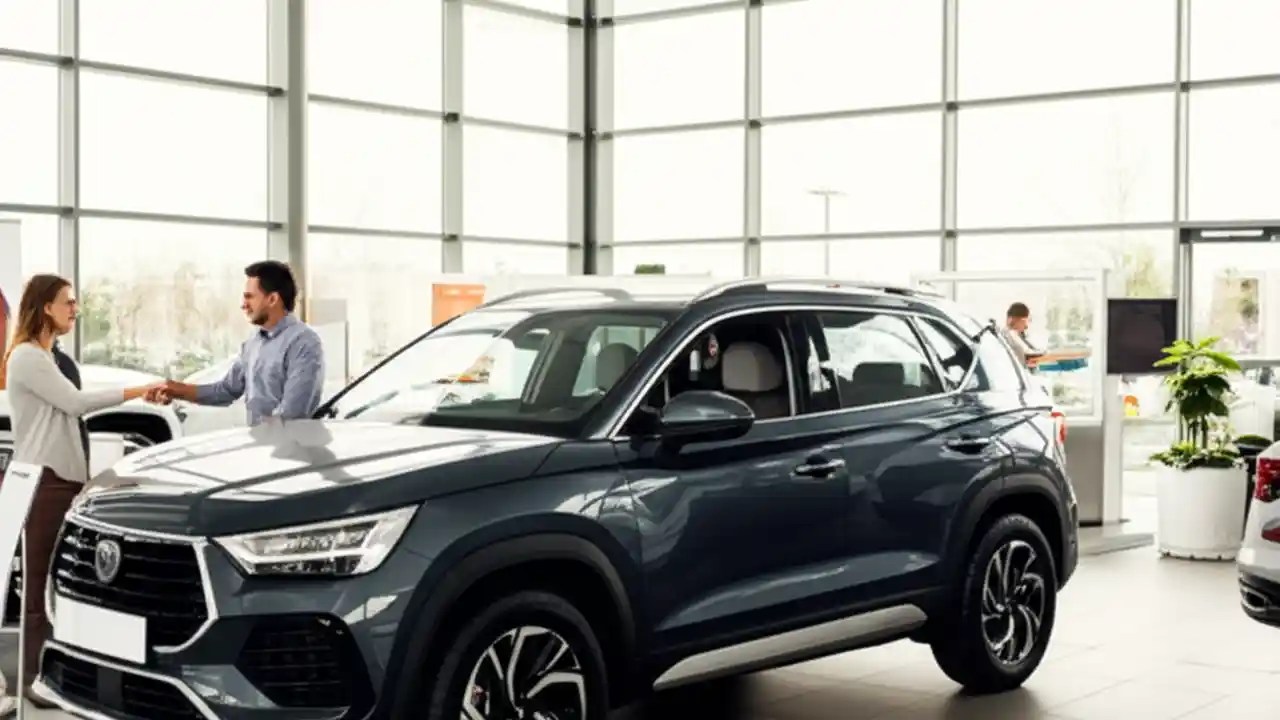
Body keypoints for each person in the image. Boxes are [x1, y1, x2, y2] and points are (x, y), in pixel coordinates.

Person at [0, 274, 164, 707]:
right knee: (39, 585)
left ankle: (57, 673)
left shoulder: (48, 357)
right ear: (45, 307)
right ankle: (34, 678)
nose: (75, 309)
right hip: (45, 482)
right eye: (68, 302)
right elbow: (76, 403)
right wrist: (139, 391)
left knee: (59, 584)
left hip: (63, 482)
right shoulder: (27, 357)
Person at [151, 261, 325, 425]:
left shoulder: (304, 343)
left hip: (287, 444)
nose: (243, 305)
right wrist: (176, 390)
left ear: (272, 299)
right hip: (262, 441)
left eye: (250, 297)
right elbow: (226, 390)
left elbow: (293, 414)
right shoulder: (253, 342)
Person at [1000, 302, 1043, 370]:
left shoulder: (1010, 334)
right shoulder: (1010, 335)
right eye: (1024, 321)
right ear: (1013, 319)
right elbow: (1026, 355)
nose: (1026, 326)